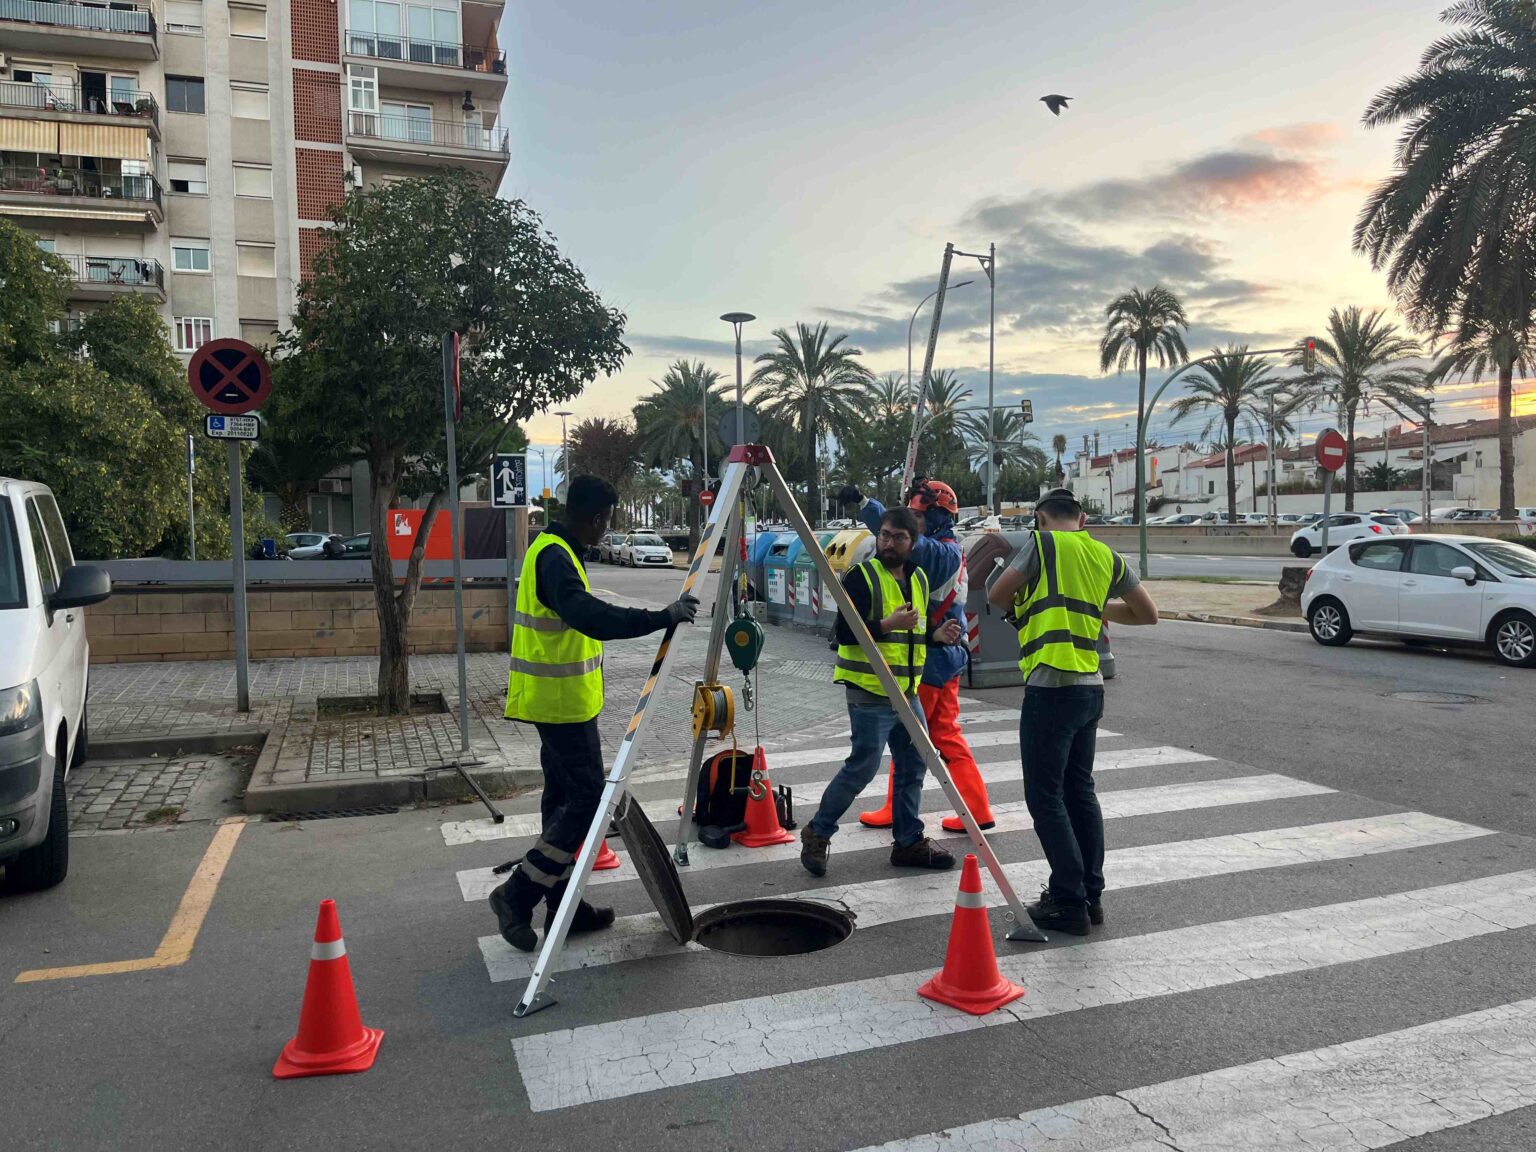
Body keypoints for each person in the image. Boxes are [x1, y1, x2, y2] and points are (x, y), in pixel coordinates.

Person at [488, 475, 699, 952]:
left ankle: (564, 905)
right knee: (585, 803)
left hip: (562, 702)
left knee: (561, 802)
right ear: (598, 518)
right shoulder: (555, 557)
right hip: (559, 705)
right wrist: (658, 618)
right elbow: (589, 615)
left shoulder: (556, 548)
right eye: (608, 520)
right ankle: (517, 894)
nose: (608, 528)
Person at [986, 487, 1158, 935]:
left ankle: (1067, 899)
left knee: (1045, 797)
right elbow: (1147, 614)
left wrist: (1022, 612)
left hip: (1050, 687)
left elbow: (997, 593)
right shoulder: (1104, 555)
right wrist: (1095, 605)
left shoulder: (1040, 545)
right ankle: (1090, 896)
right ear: (1082, 520)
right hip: (1090, 688)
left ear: (1040, 520)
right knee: (1080, 792)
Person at [800, 506, 962, 877]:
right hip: (870, 689)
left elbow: (912, 633)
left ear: (913, 542)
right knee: (863, 766)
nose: (889, 543)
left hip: (907, 692)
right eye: (885, 535)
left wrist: (935, 636)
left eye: (898, 537)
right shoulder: (861, 576)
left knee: (914, 764)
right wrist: (889, 623)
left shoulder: (919, 579)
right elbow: (843, 633)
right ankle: (818, 832)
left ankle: (908, 841)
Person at [836, 477, 995, 832]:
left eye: (918, 516)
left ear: (939, 517)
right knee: (939, 735)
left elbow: (904, 540)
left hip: (929, 661)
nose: (912, 523)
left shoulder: (943, 552)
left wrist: (866, 504)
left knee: (909, 738)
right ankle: (976, 807)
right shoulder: (950, 548)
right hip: (942, 656)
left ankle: (902, 809)